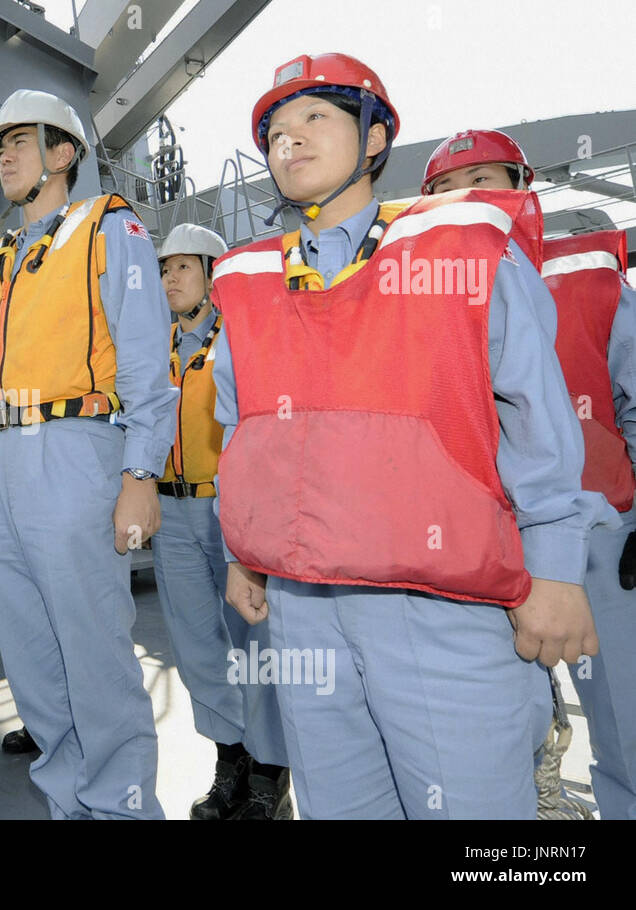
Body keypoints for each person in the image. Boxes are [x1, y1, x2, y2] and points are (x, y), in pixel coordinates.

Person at [212, 52, 614, 819]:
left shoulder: (462, 245)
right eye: (275, 133)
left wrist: (556, 569)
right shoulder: (249, 282)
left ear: (372, 140)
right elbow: (241, 428)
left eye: (314, 119)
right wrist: (243, 554)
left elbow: (537, 411)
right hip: (304, 604)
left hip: (441, 604)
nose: (287, 142)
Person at [0, 89, 176, 819]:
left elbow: (149, 364)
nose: (7, 155)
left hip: (76, 449)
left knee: (94, 657)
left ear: (64, 154)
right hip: (0, 463)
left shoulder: (107, 228)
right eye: (0, 145)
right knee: (31, 662)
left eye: (21, 141)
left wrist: (140, 473)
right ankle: (69, 805)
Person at [423, 129, 636, 818]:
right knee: (488, 737)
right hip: (477, 553)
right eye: (445, 190)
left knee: (625, 722)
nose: (464, 199)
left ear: (524, 187)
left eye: (481, 180)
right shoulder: (418, 294)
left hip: (597, 545)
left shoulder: (589, 279)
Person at [151, 222, 292, 819]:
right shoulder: (152, 350)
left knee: (255, 644)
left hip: (231, 509)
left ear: (213, 274)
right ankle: (229, 756)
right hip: (171, 509)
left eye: (184, 267)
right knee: (197, 649)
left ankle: (269, 767)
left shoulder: (243, 336)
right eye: (164, 269)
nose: (170, 279)